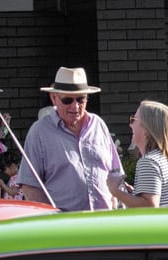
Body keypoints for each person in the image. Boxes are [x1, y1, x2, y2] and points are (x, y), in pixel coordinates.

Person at [19, 67, 122, 211]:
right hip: (64, 227)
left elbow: (115, 173)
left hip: (104, 222)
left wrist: (114, 208)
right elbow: (29, 185)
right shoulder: (39, 132)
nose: (75, 106)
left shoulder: (98, 125)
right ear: (54, 98)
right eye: (67, 100)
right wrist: (50, 219)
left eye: (81, 99)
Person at [109, 100, 168, 208]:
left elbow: (149, 206)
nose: (130, 124)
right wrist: (135, 194)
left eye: (133, 120)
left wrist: (115, 191)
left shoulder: (149, 162)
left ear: (146, 128)